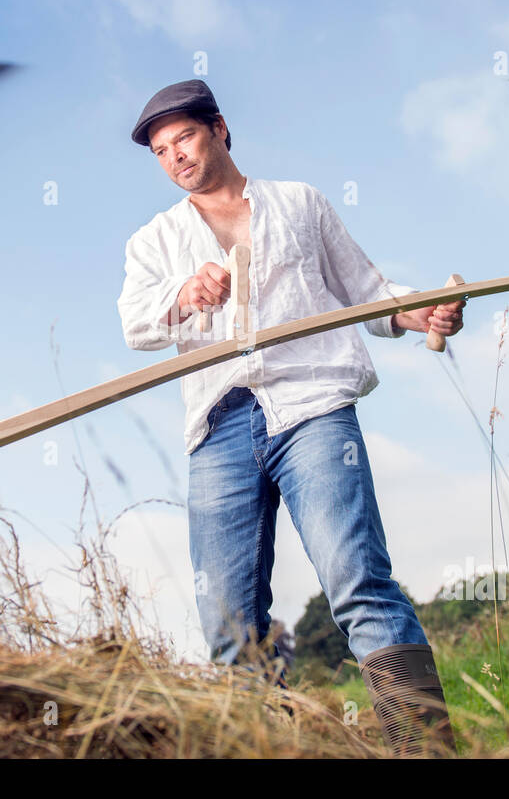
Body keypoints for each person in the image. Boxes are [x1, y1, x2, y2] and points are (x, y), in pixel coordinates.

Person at [116, 79, 465, 757]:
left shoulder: (301, 203)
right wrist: (186, 292)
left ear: (219, 128)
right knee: (229, 628)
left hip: (312, 410)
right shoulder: (153, 242)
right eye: (161, 151)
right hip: (218, 428)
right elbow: (136, 322)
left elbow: (367, 296)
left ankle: (426, 751)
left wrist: (419, 311)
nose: (176, 157)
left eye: (184, 136)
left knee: (358, 583)